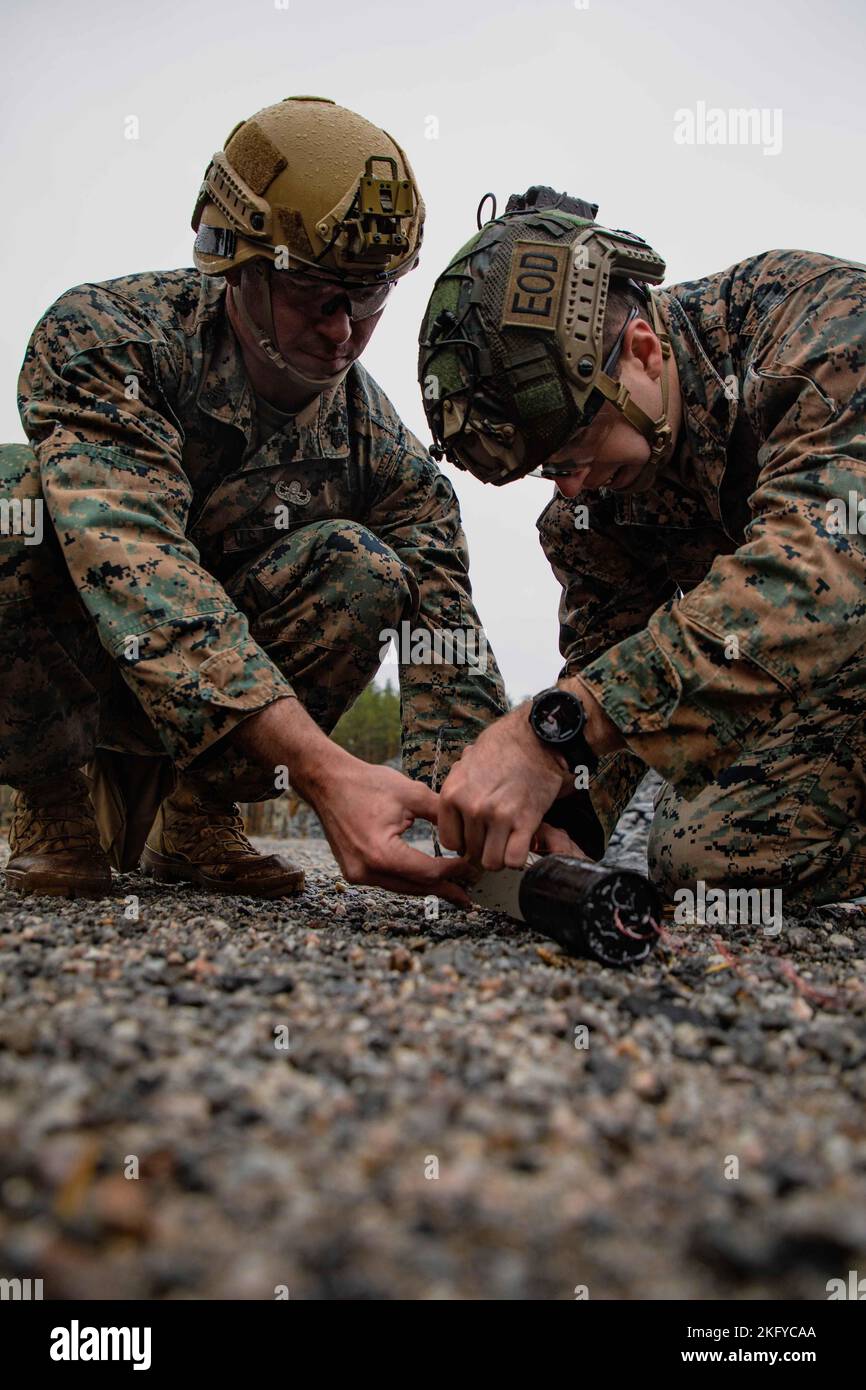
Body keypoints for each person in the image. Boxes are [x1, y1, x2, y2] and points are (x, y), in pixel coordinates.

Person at [0, 96, 505, 901]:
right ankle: (53, 805)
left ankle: (201, 820)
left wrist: (487, 813)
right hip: (85, 682)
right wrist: (320, 770)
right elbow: (140, 569)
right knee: (12, 502)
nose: (345, 330)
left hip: (228, 737)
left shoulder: (383, 451)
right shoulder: (106, 341)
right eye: (317, 295)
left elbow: (449, 640)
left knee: (366, 569)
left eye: (371, 295)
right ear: (236, 265)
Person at [417, 186, 866, 909]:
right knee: (705, 857)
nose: (569, 490)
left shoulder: (818, 330)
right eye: (549, 469)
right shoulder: (593, 505)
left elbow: (820, 570)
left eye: (576, 451)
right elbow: (607, 658)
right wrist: (565, 818)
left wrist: (553, 735)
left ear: (643, 353)